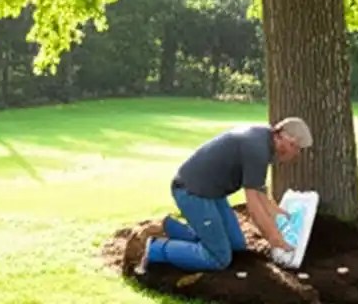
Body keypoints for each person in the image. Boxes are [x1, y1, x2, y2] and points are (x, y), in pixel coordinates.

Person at [130, 117, 313, 274]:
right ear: (282, 137)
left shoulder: (264, 140)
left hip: (212, 193)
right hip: (193, 192)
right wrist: (274, 237)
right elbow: (253, 205)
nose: (296, 154)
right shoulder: (258, 149)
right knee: (219, 258)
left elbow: (259, 190)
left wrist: (277, 212)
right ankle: (155, 248)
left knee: (237, 247)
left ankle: (170, 227)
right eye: (295, 147)